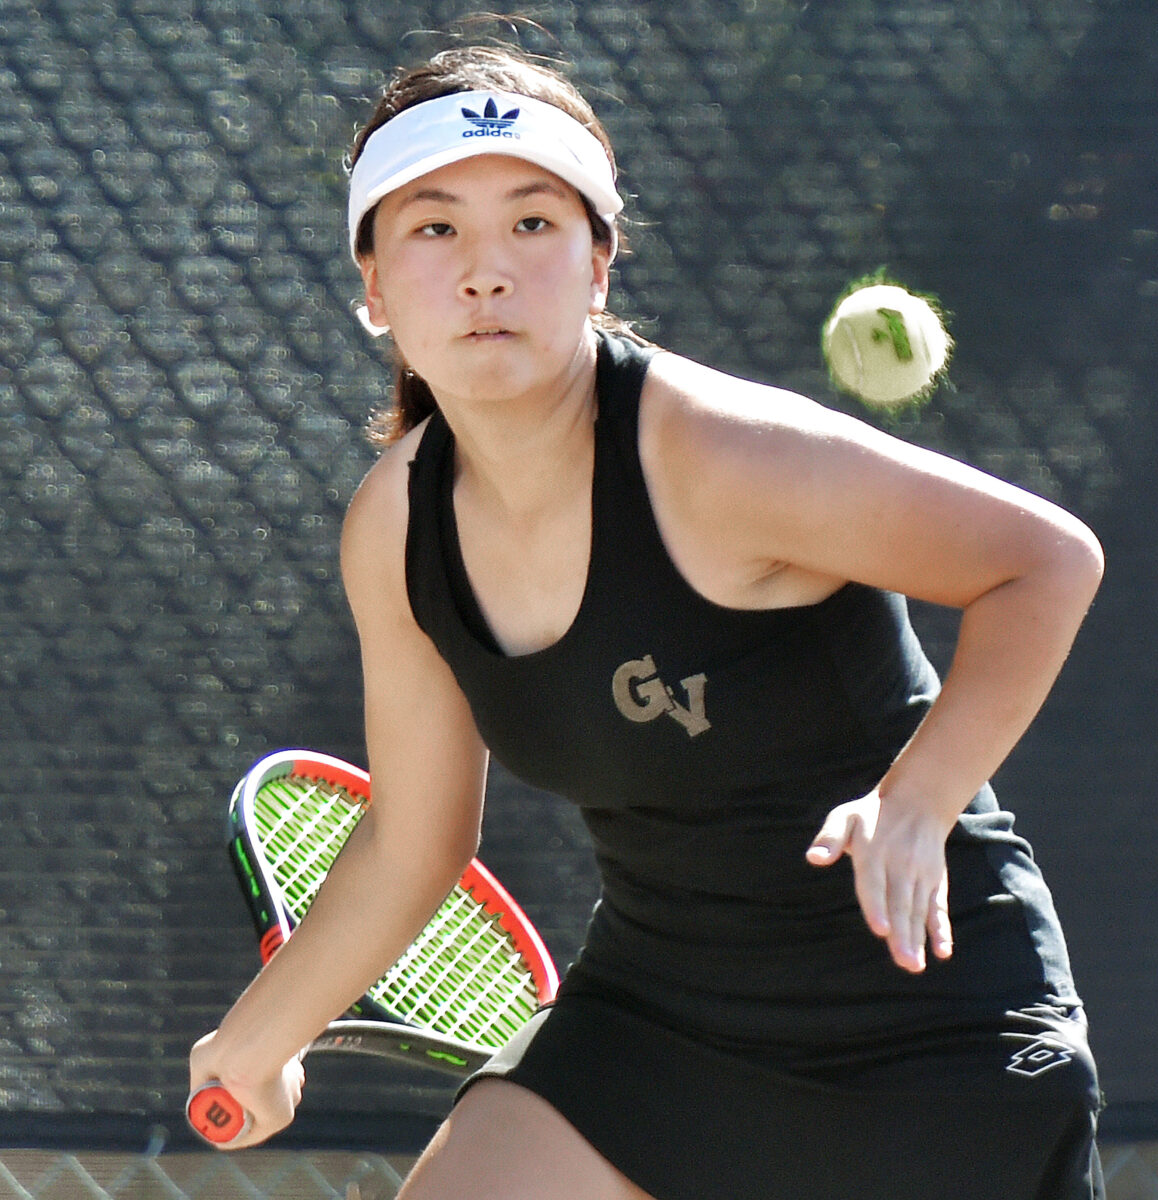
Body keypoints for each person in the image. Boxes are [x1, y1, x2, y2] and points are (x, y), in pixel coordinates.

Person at [190, 43, 1106, 1199]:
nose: (485, 271)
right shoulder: (394, 528)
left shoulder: (719, 453)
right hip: (655, 1017)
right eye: (433, 229)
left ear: (597, 267)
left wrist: (918, 798)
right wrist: (260, 1042)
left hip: (927, 1022)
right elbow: (416, 839)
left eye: (532, 224)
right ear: (371, 286)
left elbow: (1043, 562)